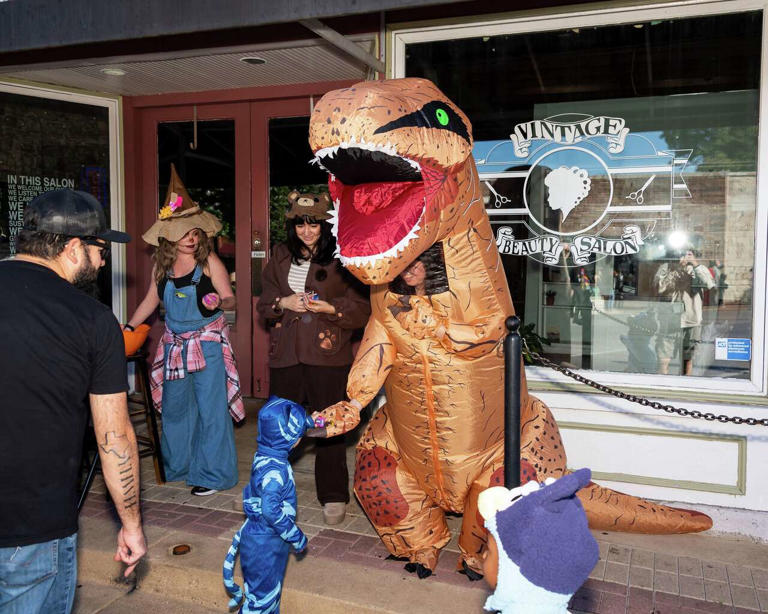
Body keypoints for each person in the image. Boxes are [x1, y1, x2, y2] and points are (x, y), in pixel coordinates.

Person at [0, 189, 146, 613]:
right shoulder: (92, 319)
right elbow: (114, 436)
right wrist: (132, 525)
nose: (103, 262)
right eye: (100, 249)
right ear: (73, 248)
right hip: (31, 529)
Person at [125, 165, 243, 496]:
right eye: (184, 232)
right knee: (176, 409)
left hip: (206, 345)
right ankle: (179, 465)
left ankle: (213, 474)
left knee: (210, 410)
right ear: (169, 235)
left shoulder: (210, 263)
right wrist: (131, 326)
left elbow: (231, 299)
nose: (191, 238)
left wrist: (219, 300)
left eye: (195, 232)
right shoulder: (160, 267)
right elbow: (150, 301)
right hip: (174, 345)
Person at [257, 190, 370, 525]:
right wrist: (282, 304)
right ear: (292, 225)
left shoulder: (343, 257)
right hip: (287, 352)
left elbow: (363, 307)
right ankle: (269, 491)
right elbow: (264, 305)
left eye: (315, 224)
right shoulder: (278, 255)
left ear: (326, 224)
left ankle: (333, 495)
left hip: (327, 353)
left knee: (328, 426)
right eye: (301, 224)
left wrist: (332, 308)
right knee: (279, 427)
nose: (307, 231)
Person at [223, 396, 316, 613]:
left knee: (269, 594)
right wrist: (296, 535)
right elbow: (270, 510)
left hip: (262, 538)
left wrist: (321, 421)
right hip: (265, 544)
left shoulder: (266, 451)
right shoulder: (275, 473)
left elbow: (300, 426)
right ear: (293, 439)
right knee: (260, 603)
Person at [654, 246, 716, 375]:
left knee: (688, 359)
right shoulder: (666, 267)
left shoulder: (699, 268)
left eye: (688, 254)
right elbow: (659, 288)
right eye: (681, 253)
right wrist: (675, 269)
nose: (683, 257)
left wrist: (695, 265)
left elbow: (709, 284)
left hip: (691, 319)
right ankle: (662, 386)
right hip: (669, 320)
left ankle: (685, 384)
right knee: (664, 358)